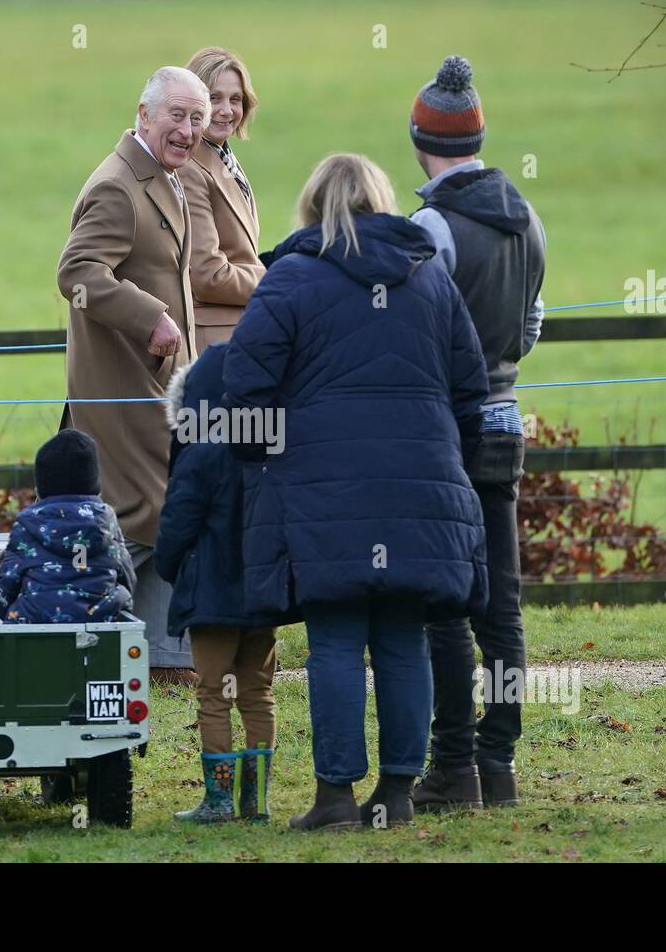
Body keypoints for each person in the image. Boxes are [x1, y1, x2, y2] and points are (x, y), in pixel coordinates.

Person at [224, 154, 490, 831]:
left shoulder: (289, 278)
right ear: (380, 201)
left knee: (336, 641)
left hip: (322, 494)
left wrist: (267, 457)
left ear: (312, 206)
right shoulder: (429, 276)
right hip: (422, 491)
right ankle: (398, 793)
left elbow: (244, 390)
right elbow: (471, 390)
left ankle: (335, 797)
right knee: (404, 638)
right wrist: (447, 460)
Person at [406, 55, 546, 811]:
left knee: (445, 603)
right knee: (503, 607)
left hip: (445, 430)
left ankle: (452, 766)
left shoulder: (431, 224)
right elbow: (528, 327)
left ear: (418, 138)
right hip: (506, 419)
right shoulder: (529, 217)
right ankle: (500, 763)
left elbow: (424, 329)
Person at [56, 66, 210, 684]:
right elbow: (77, 274)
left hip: (159, 385)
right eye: (177, 114)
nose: (189, 128)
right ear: (143, 114)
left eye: (197, 118)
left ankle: (161, 657)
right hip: (124, 391)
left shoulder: (166, 177)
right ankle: (87, 644)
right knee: (141, 515)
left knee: (163, 510)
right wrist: (151, 319)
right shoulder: (120, 185)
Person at [154, 343, 279, 823]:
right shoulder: (270, 448)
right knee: (257, 692)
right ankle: (258, 800)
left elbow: (175, 529)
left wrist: (175, 571)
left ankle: (219, 801)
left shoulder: (199, 455)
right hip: (263, 595)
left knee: (213, 694)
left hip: (212, 598)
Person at [0, 430, 135, 625]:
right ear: (94, 483)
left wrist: (5, 608)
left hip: (34, 625)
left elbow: (6, 589)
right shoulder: (106, 521)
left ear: (40, 488)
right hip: (101, 620)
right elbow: (127, 577)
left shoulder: (27, 525)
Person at [179, 47, 265, 352]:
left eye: (235, 99)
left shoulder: (222, 154)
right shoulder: (189, 168)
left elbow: (239, 253)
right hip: (211, 342)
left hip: (237, 331)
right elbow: (208, 275)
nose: (227, 110)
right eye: (214, 98)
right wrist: (274, 283)